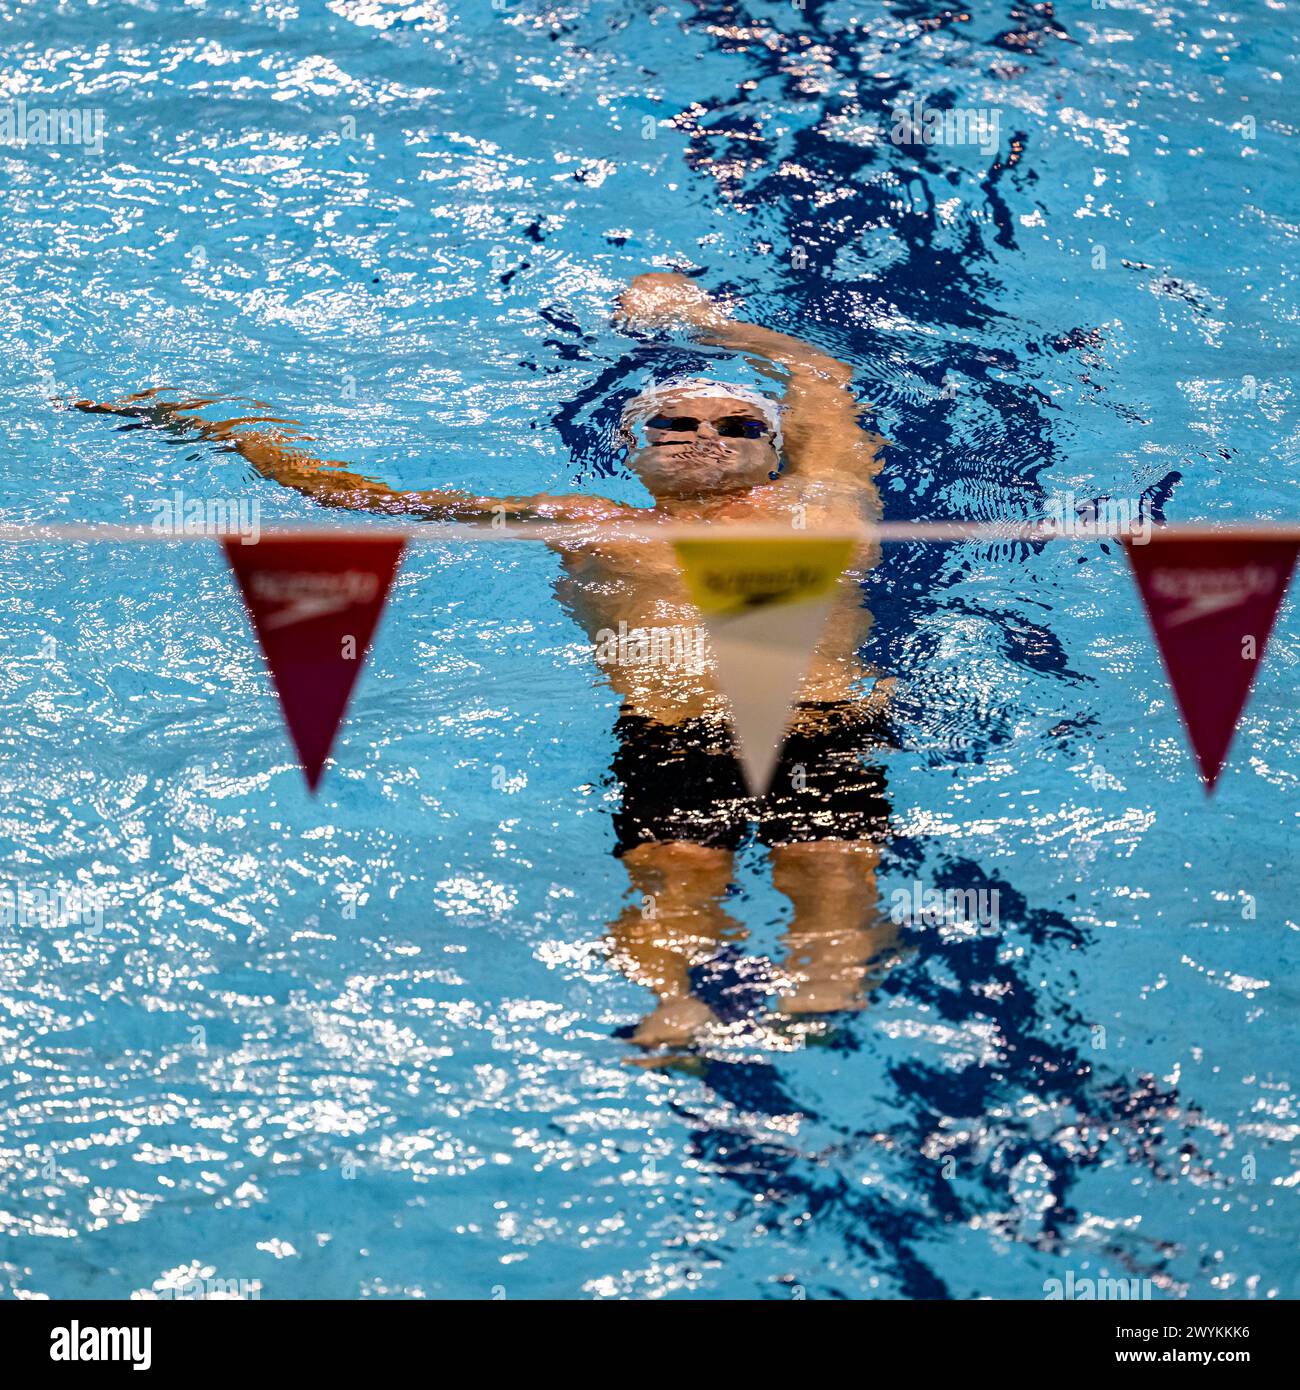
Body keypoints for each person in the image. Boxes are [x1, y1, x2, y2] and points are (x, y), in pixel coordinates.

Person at [74, 272, 899, 1049]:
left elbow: (820, 374)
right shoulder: (579, 519)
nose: (704, 438)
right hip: (669, 731)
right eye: (673, 424)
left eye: (738, 425)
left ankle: (823, 997)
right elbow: (365, 500)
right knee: (675, 872)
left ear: (775, 446)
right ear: (632, 448)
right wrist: (220, 429)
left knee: (825, 861)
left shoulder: (822, 500)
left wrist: (705, 322)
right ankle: (669, 1009)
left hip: (816, 717)